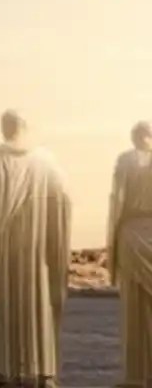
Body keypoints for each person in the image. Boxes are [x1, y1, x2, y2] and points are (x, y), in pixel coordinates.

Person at [0, 110, 71, 388]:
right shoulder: (46, 162)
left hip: (4, 244)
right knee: (35, 304)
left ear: (5, 128)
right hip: (35, 247)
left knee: (3, 308)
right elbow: (62, 201)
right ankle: (39, 371)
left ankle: (0, 370)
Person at [107, 120, 152, 387]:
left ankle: (137, 375)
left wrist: (112, 247)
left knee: (134, 309)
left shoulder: (126, 161)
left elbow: (118, 203)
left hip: (132, 234)